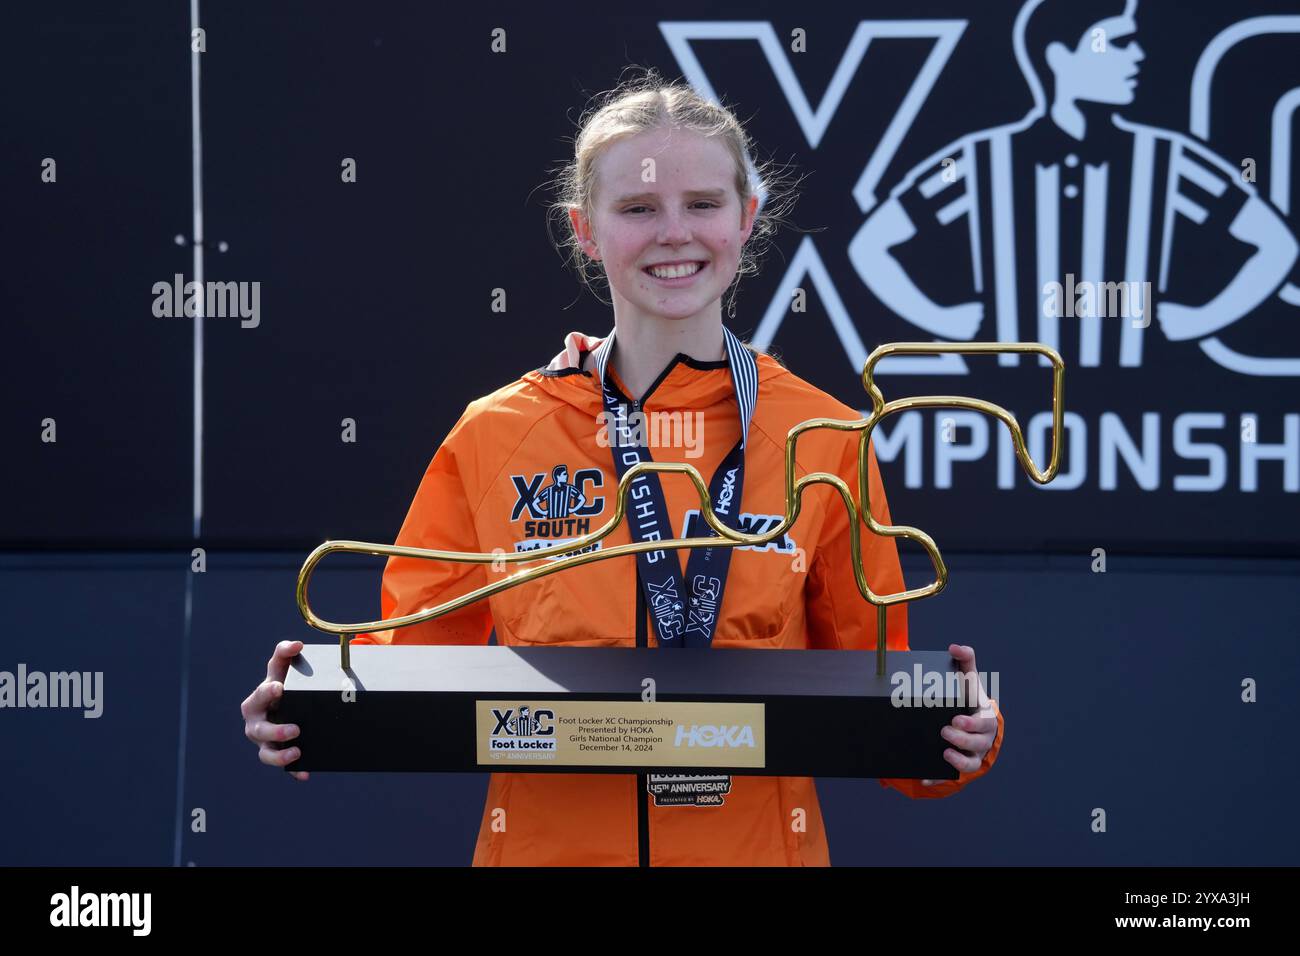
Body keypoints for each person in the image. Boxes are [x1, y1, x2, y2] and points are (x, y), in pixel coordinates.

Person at [241, 68, 1004, 866]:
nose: (674, 233)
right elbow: (410, 663)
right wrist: (312, 703)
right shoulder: (498, 432)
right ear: (585, 228)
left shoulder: (822, 435)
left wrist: (960, 733)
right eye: (638, 209)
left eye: (702, 204)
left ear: (746, 217)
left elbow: (873, 686)